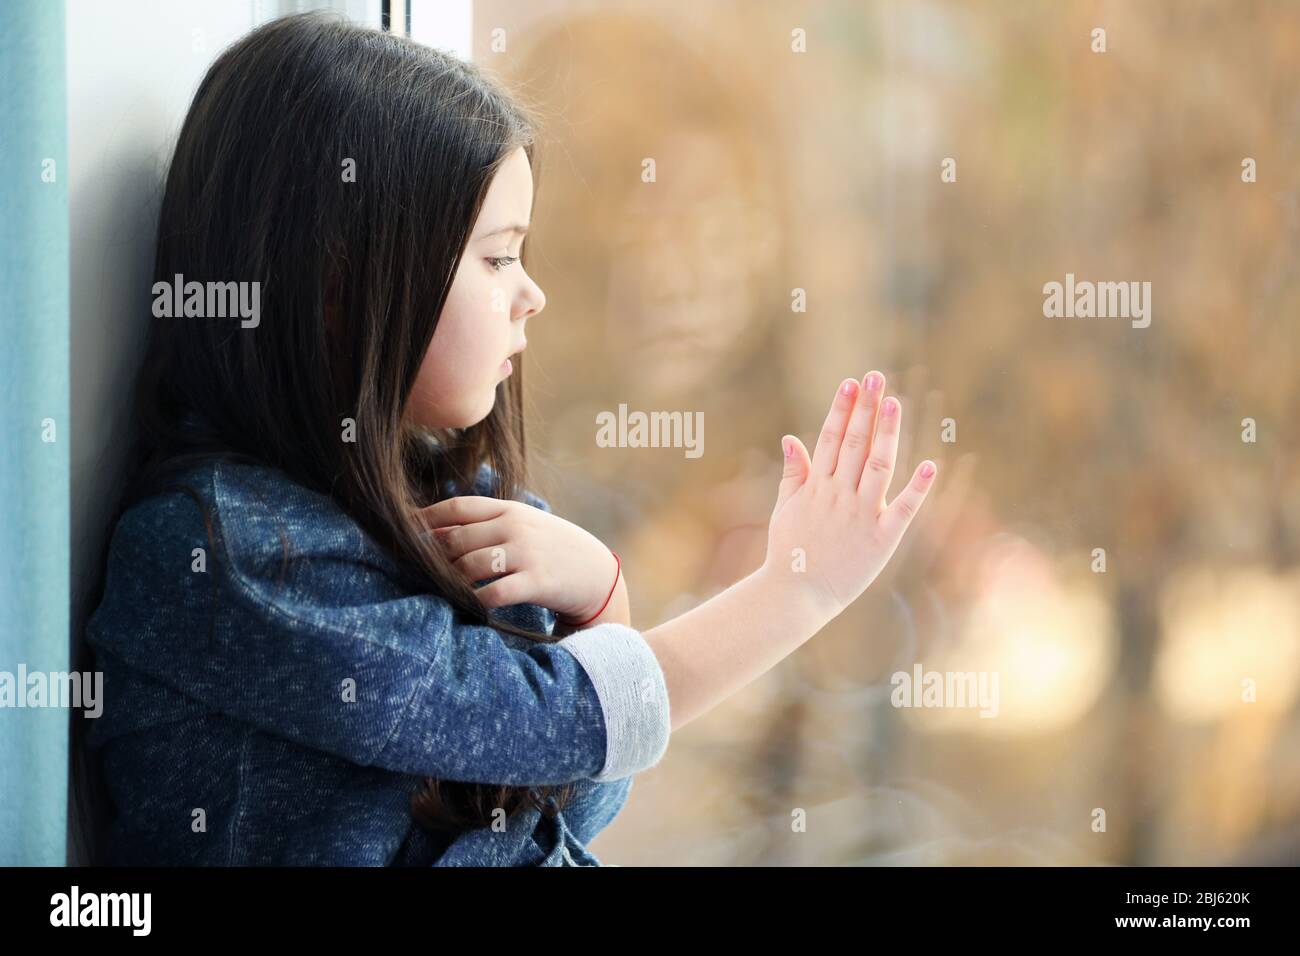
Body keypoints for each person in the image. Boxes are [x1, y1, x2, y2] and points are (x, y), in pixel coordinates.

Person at [81, 11, 936, 866]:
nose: (533, 294)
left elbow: (558, 800)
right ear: (339, 287)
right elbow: (546, 725)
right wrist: (792, 593)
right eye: (497, 259)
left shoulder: (450, 502)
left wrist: (604, 607)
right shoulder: (227, 552)